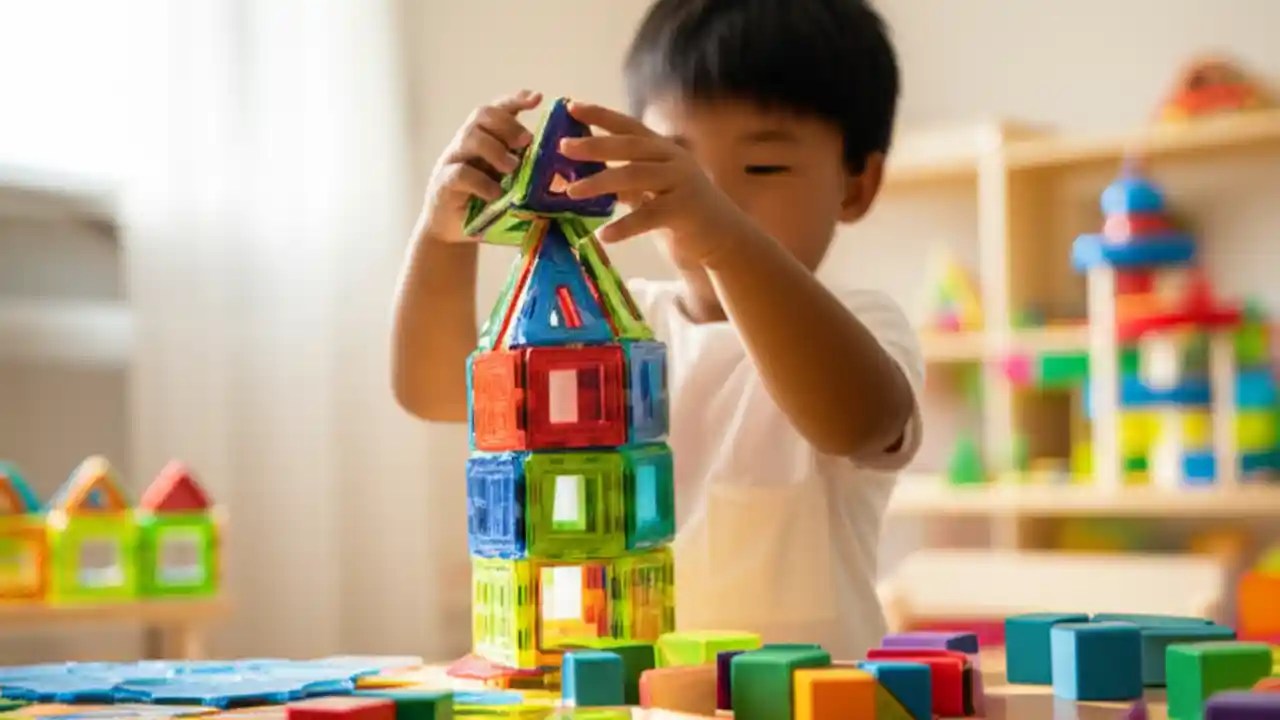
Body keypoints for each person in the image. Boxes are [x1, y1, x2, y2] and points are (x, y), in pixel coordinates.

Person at [392, 0, 922, 660]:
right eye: (674, 162)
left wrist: (724, 236)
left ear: (856, 186)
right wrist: (445, 234)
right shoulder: (618, 321)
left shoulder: (861, 326)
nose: (711, 195)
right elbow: (441, 391)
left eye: (763, 168)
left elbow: (858, 419)